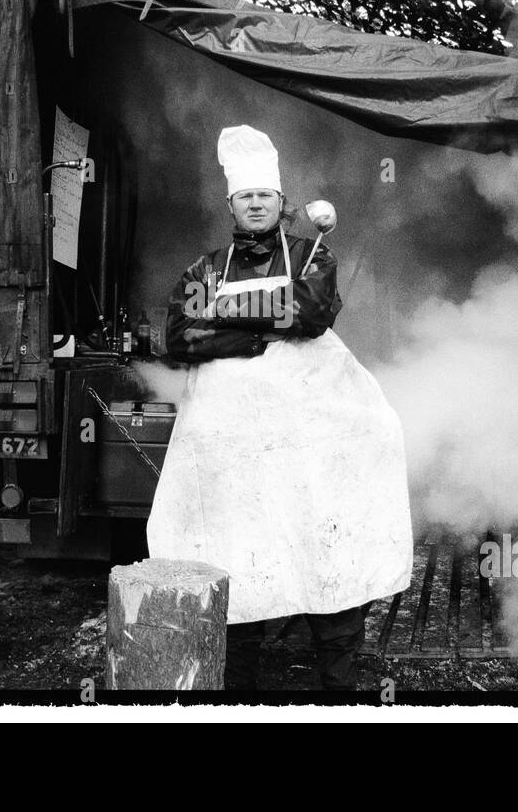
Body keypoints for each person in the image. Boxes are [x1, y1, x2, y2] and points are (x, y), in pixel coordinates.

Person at [146, 125, 413, 691]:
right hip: (232, 444)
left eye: (265, 195)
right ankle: (240, 688)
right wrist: (256, 338)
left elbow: (312, 315)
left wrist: (224, 318)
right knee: (239, 549)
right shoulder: (204, 270)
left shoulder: (313, 254)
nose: (256, 203)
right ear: (232, 206)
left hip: (311, 437)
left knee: (323, 542)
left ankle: (337, 688)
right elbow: (178, 338)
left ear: (282, 201)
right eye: (246, 197)